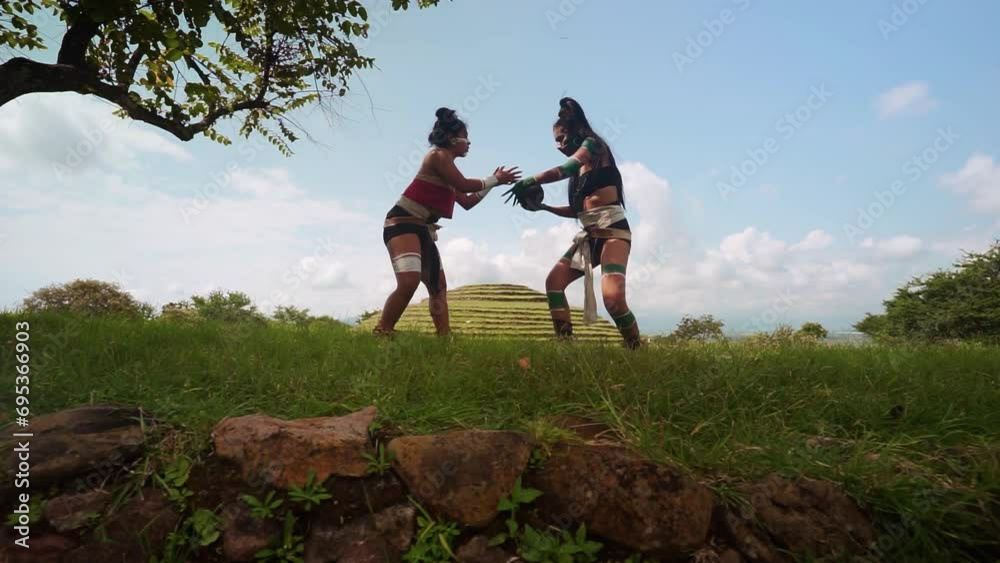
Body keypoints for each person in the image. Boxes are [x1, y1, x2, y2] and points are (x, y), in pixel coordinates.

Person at [503, 97, 641, 348]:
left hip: (613, 232)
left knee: (613, 300)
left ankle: (636, 348)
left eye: (561, 138)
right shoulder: (578, 176)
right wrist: (544, 207)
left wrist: (530, 180)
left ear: (576, 130)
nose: (558, 145)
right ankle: (565, 345)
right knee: (554, 283)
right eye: (555, 141)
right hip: (589, 235)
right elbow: (578, 211)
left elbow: (565, 168)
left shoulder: (594, 145)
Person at [374, 108, 520, 337]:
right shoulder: (437, 156)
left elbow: (468, 201)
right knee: (409, 282)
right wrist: (495, 179)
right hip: (401, 224)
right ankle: (383, 329)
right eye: (466, 137)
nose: (469, 143)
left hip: (421, 228)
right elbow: (464, 185)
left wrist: (493, 184)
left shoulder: (448, 172)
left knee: (438, 286)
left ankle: (444, 336)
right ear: (453, 139)